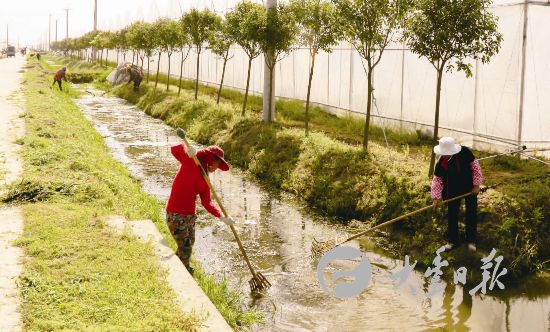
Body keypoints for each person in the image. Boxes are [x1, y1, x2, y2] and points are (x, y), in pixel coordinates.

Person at [166, 143, 235, 274]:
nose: (217, 168)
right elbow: (174, 149)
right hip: (175, 214)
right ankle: (184, 273)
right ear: (211, 159)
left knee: (189, 243)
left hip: (190, 216)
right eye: (217, 164)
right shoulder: (191, 161)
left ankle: (178, 267)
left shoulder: (205, 180)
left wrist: (222, 217)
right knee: (185, 247)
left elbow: (207, 203)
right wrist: (187, 150)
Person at [430, 137, 483, 252]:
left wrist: (476, 185)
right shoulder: (441, 163)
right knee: (452, 214)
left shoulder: (465, 153)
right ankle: (453, 241)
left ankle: (471, 240)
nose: (444, 155)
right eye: (443, 153)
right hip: (452, 190)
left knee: (471, 212)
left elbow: (475, 168)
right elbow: (437, 180)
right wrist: (436, 197)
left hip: (469, 187)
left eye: (446, 153)